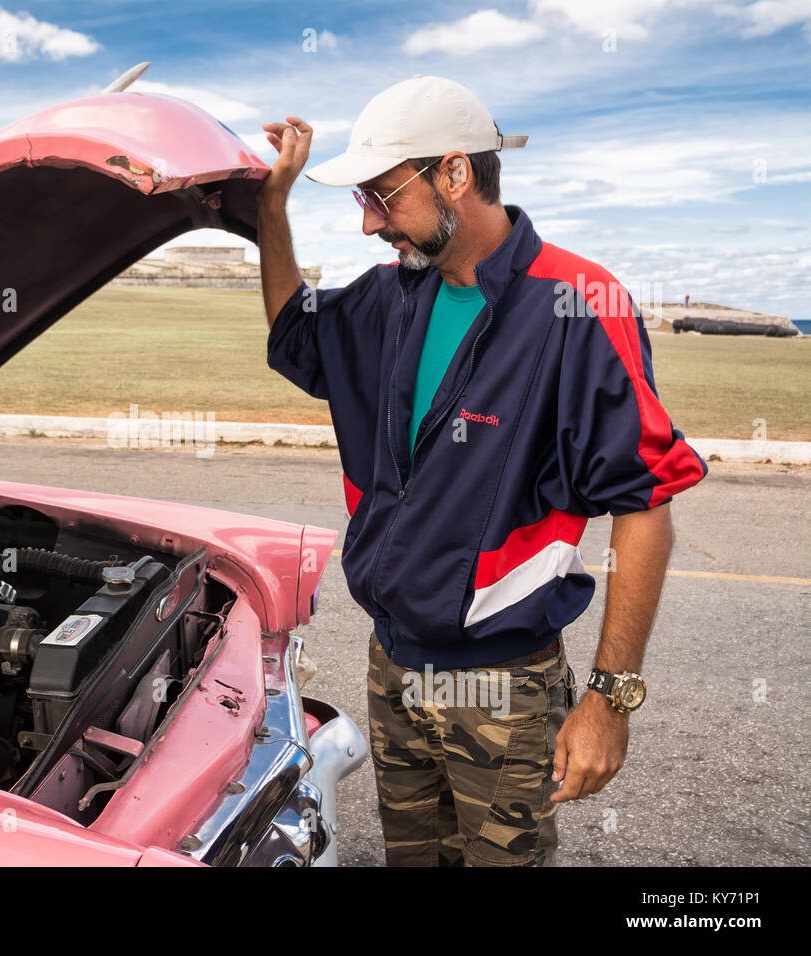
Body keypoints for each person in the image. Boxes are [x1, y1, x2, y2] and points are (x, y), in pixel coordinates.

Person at [256, 75, 707, 866]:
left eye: (382, 196)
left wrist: (609, 700)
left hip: (501, 684)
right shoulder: (389, 297)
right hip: (390, 665)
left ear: (455, 175)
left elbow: (645, 504)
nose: (367, 223)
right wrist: (271, 204)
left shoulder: (579, 304)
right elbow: (297, 332)